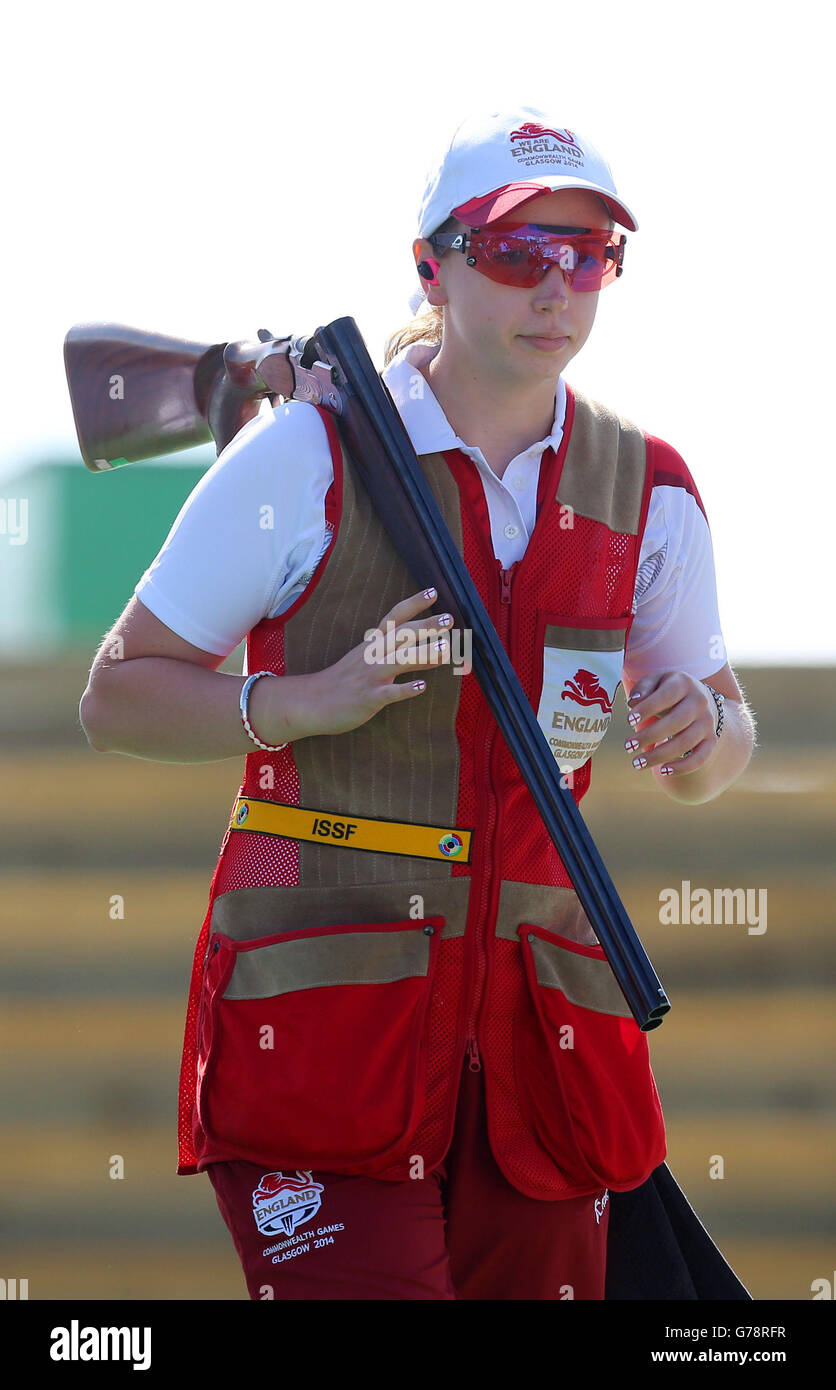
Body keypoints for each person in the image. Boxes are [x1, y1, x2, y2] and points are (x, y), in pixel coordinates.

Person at [79, 105, 757, 1301]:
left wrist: (708, 734)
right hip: (325, 1031)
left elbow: (716, 738)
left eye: (587, 256)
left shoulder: (646, 485)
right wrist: (294, 703)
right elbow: (117, 694)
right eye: (515, 252)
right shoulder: (301, 453)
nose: (556, 287)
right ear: (431, 268)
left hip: (543, 1056)